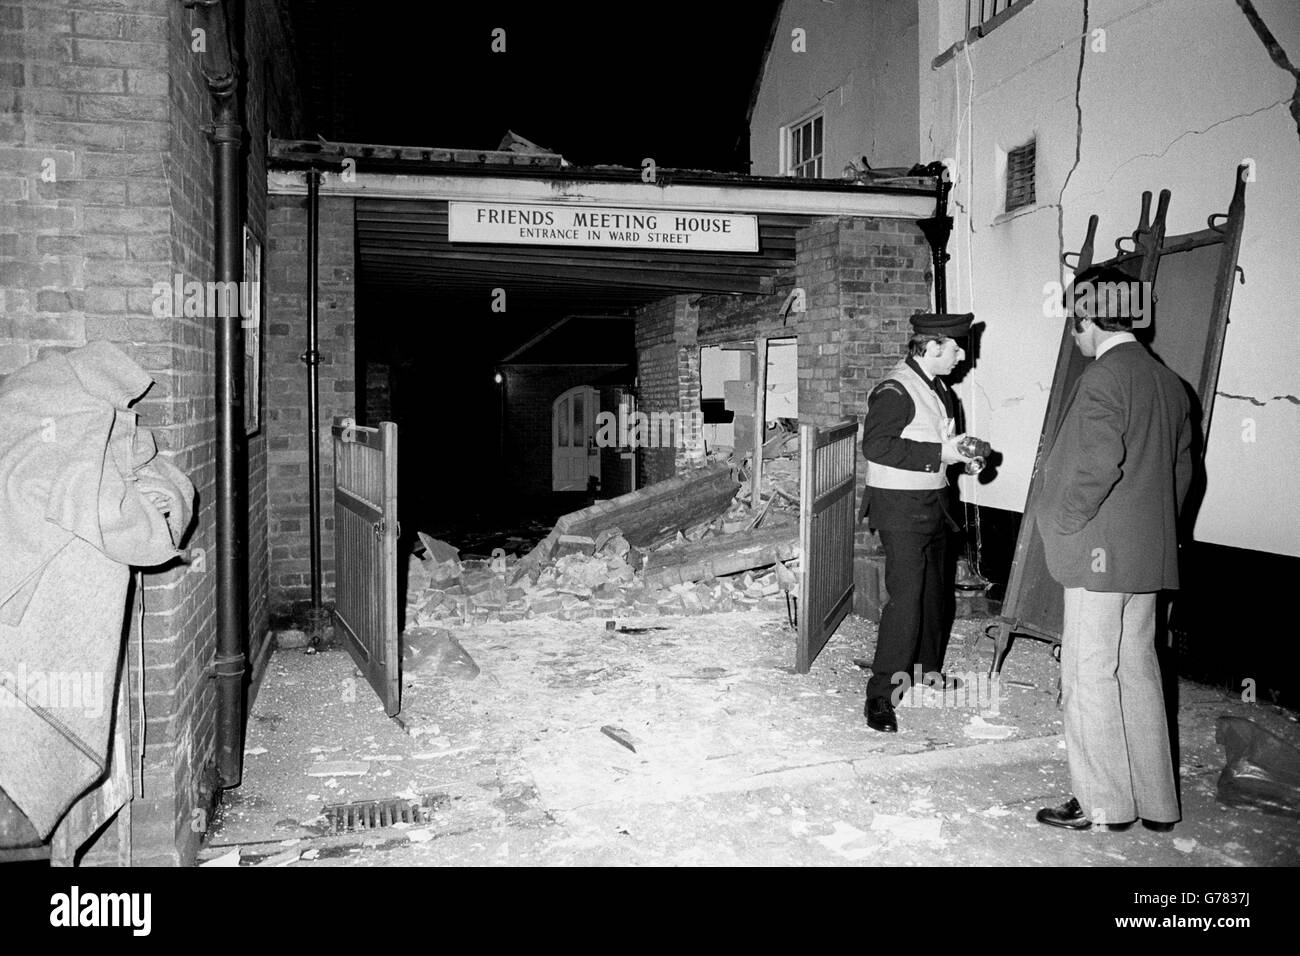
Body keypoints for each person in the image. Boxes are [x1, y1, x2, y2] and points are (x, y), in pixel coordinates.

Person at [1033, 264, 1192, 833]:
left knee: (1090, 673)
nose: (1075, 334)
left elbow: (1095, 466)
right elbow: (1181, 474)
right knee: (1138, 671)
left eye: (1076, 323)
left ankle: (1102, 804)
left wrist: (1066, 525)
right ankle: (1155, 804)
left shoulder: (1104, 378)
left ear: (1089, 316)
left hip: (1100, 554)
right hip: (1146, 555)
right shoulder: (1169, 382)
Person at [859, 312, 976, 733]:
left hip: (935, 501)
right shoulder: (895, 390)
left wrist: (959, 453)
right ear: (930, 348)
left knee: (935, 594)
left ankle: (925, 670)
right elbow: (875, 446)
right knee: (907, 599)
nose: (962, 355)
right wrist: (938, 455)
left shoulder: (940, 388)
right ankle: (881, 696)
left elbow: (934, 440)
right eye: (955, 348)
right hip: (900, 507)